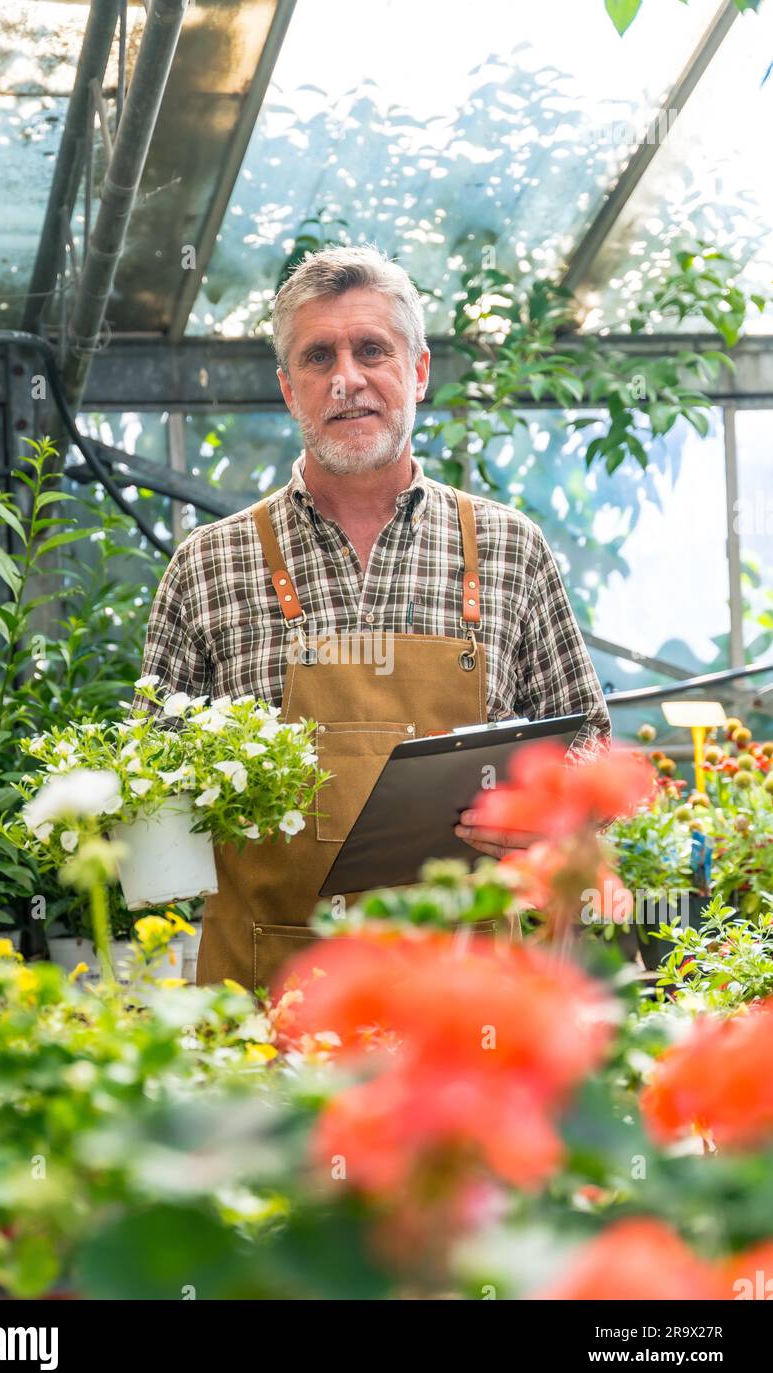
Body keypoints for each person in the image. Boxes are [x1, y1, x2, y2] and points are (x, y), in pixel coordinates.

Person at [132, 243, 611, 989]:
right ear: (290, 389)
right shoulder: (209, 565)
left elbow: (590, 748)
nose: (346, 379)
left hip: (463, 1008)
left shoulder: (510, 548)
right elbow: (149, 793)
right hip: (265, 1006)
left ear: (418, 370)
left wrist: (547, 816)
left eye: (371, 350)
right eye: (318, 358)